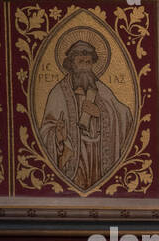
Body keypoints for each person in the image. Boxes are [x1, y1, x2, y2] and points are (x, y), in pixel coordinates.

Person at [39, 38, 132, 190]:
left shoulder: (102, 90)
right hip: (74, 157)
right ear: (71, 64)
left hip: (99, 155)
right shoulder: (58, 93)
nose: (84, 67)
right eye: (80, 61)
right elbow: (45, 129)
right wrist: (57, 134)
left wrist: (101, 113)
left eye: (88, 62)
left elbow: (125, 115)